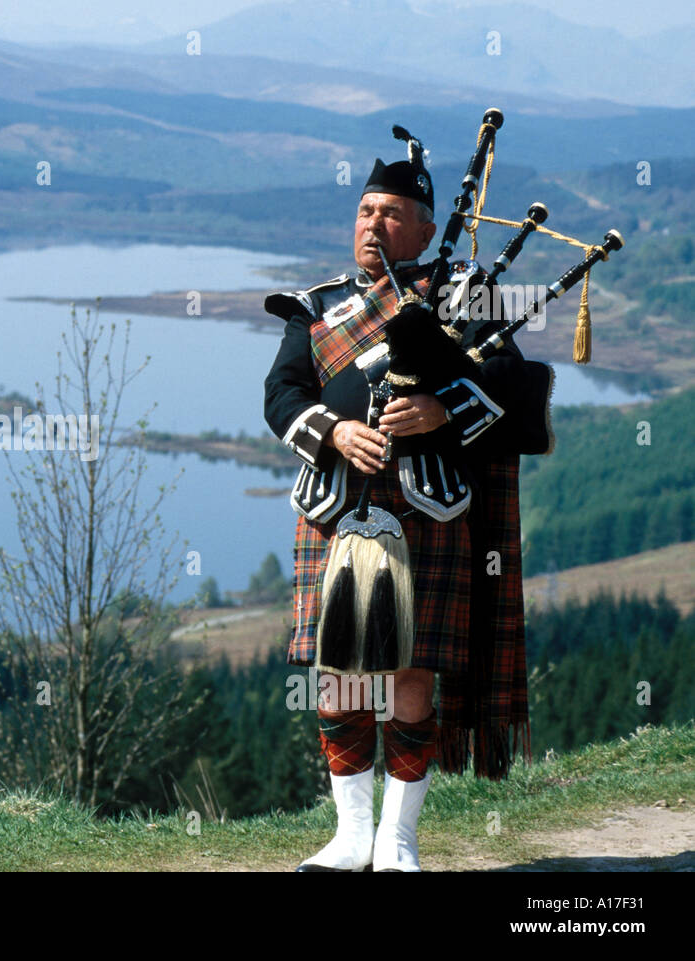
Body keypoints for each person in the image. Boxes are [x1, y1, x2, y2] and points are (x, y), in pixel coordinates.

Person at [262, 150, 540, 871]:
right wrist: (332, 429)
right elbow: (281, 395)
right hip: (336, 507)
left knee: (412, 675)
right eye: (364, 210)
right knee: (339, 674)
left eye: (390, 213)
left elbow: (513, 384)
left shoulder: (465, 297)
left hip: (427, 508)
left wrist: (440, 410)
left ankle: (398, 842)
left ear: (422, 229)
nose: (373, 224)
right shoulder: (318, 306)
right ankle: (351, 836)